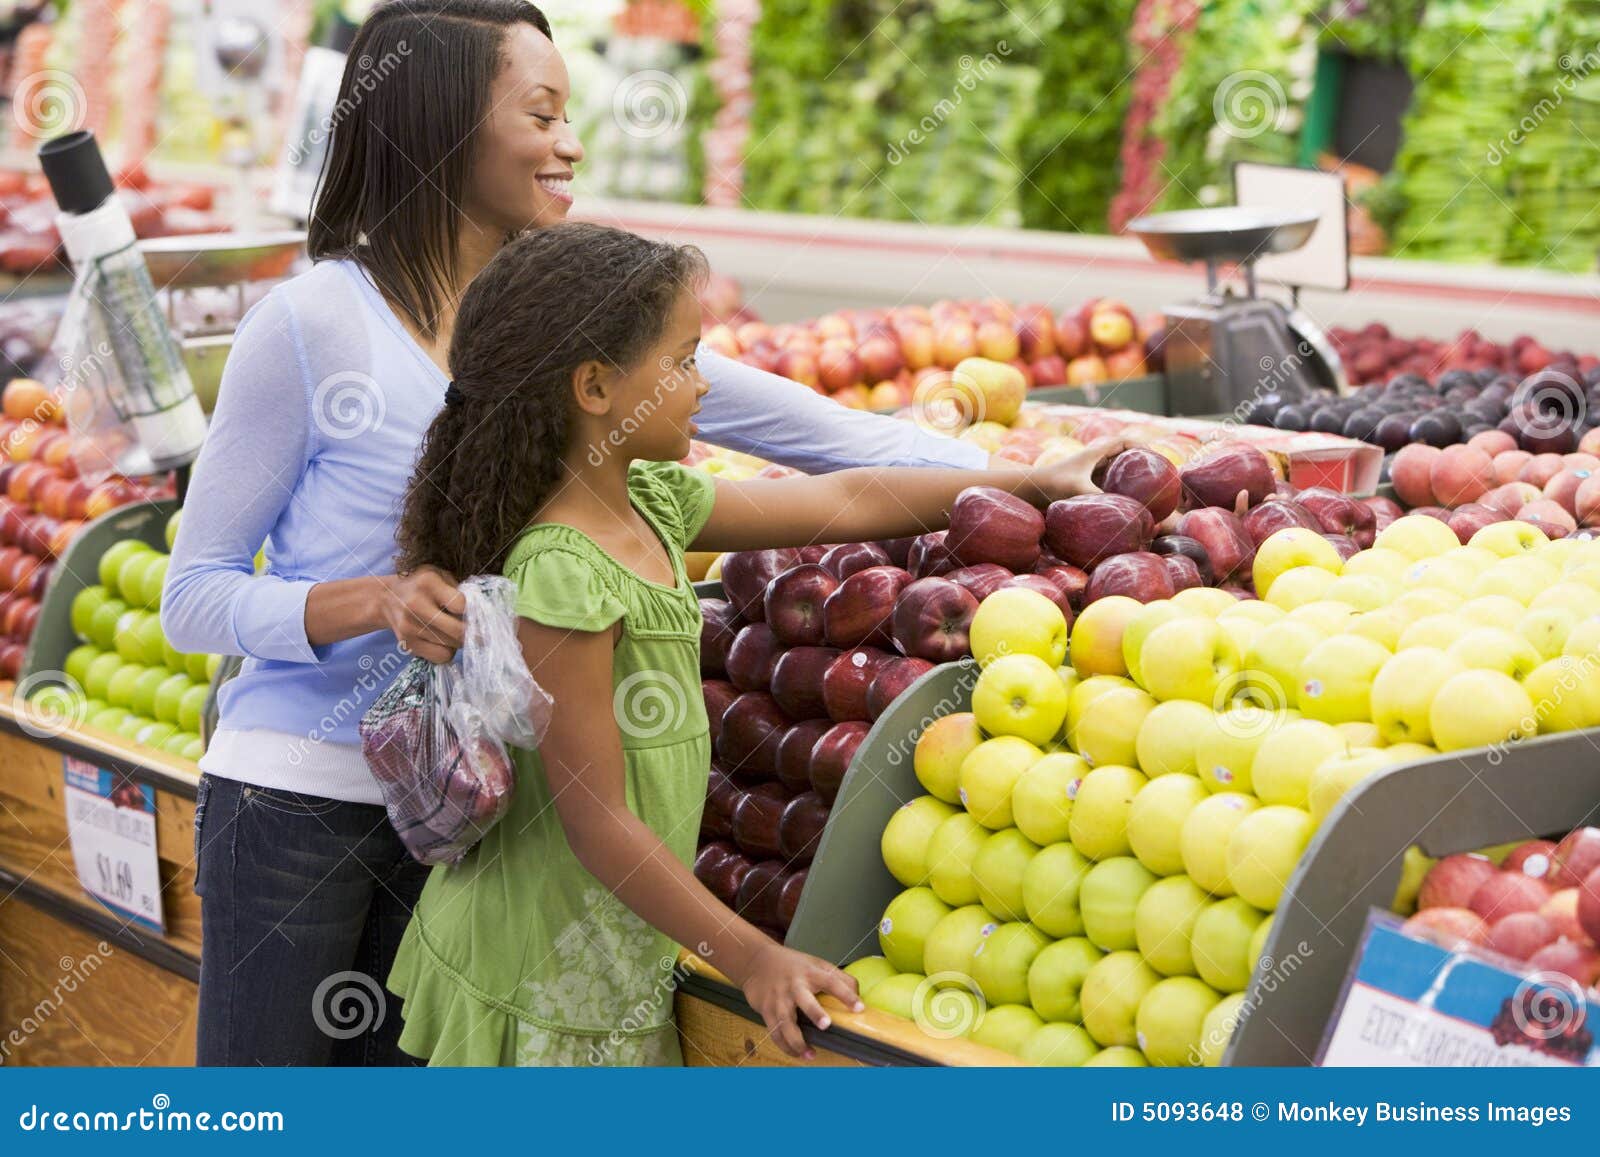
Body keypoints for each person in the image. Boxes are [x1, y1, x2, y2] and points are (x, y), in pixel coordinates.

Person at [163, 0, 992, 1067]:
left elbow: (824, 437)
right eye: (542, 112)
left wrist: (1030, 483)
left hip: (476, 820)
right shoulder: (312, 323)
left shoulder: (564, 321)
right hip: (303, 807)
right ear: (442, 126)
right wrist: (371, 602)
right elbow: (195, 595)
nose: (571, 142)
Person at [386, 222, 1121, 1066]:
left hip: (609, 943)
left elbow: (846, 498)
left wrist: (1030, 482)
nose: (701, 384)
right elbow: (598, 822)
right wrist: (753, 955)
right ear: (595, 387)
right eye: (684, 359)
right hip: (540, 964)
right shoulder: (562, 572)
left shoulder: (651, 500)